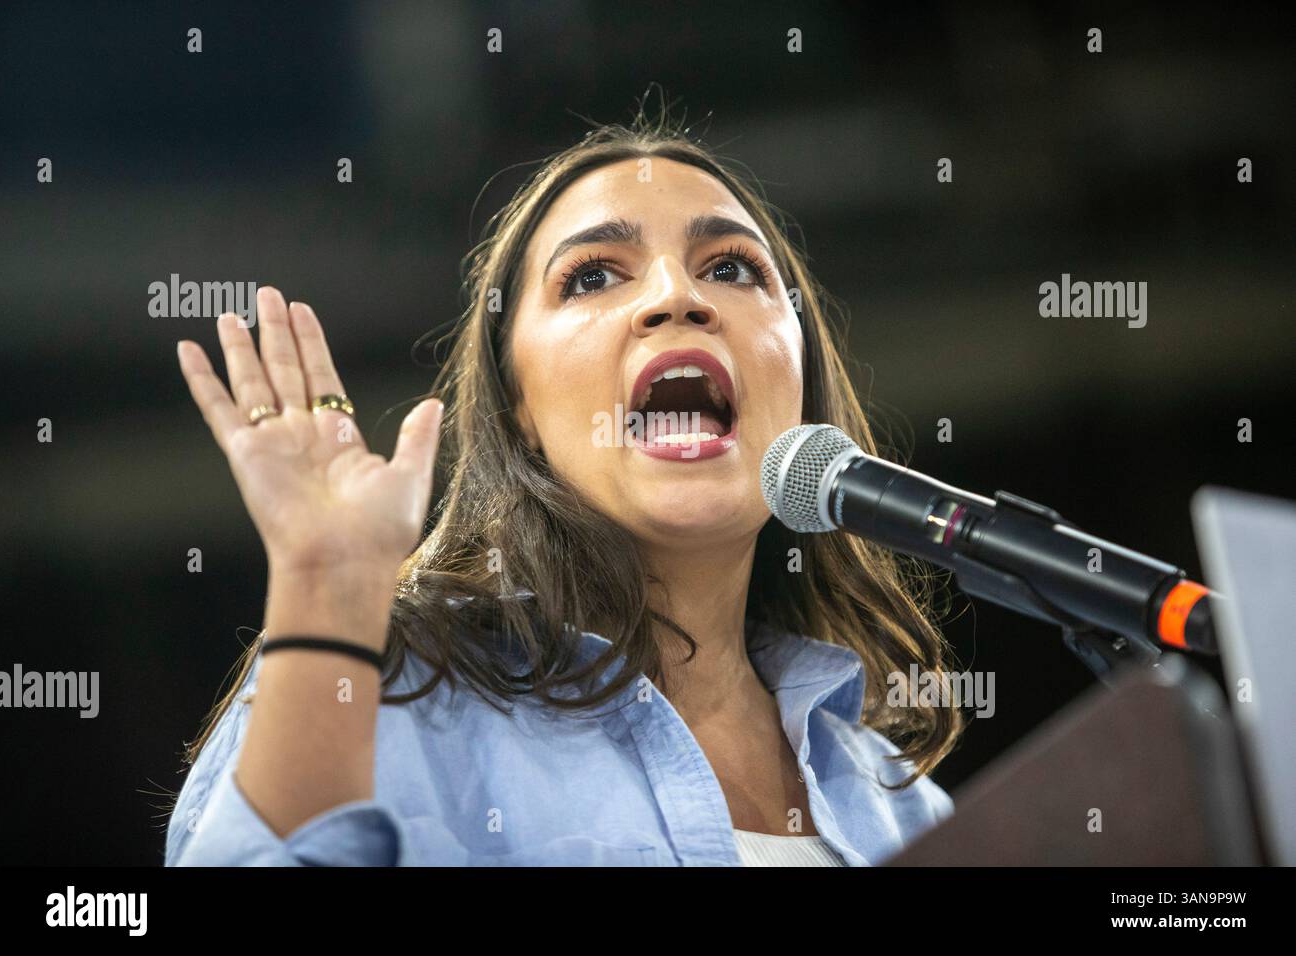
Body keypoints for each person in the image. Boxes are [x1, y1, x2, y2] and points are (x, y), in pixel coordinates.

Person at [165, 108, 964, 867]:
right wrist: (324, 592)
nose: (675, 298)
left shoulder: (907, 811)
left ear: (801, 379)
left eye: (728, 268)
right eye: (589, 278)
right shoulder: (385, 693)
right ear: (520, 411)